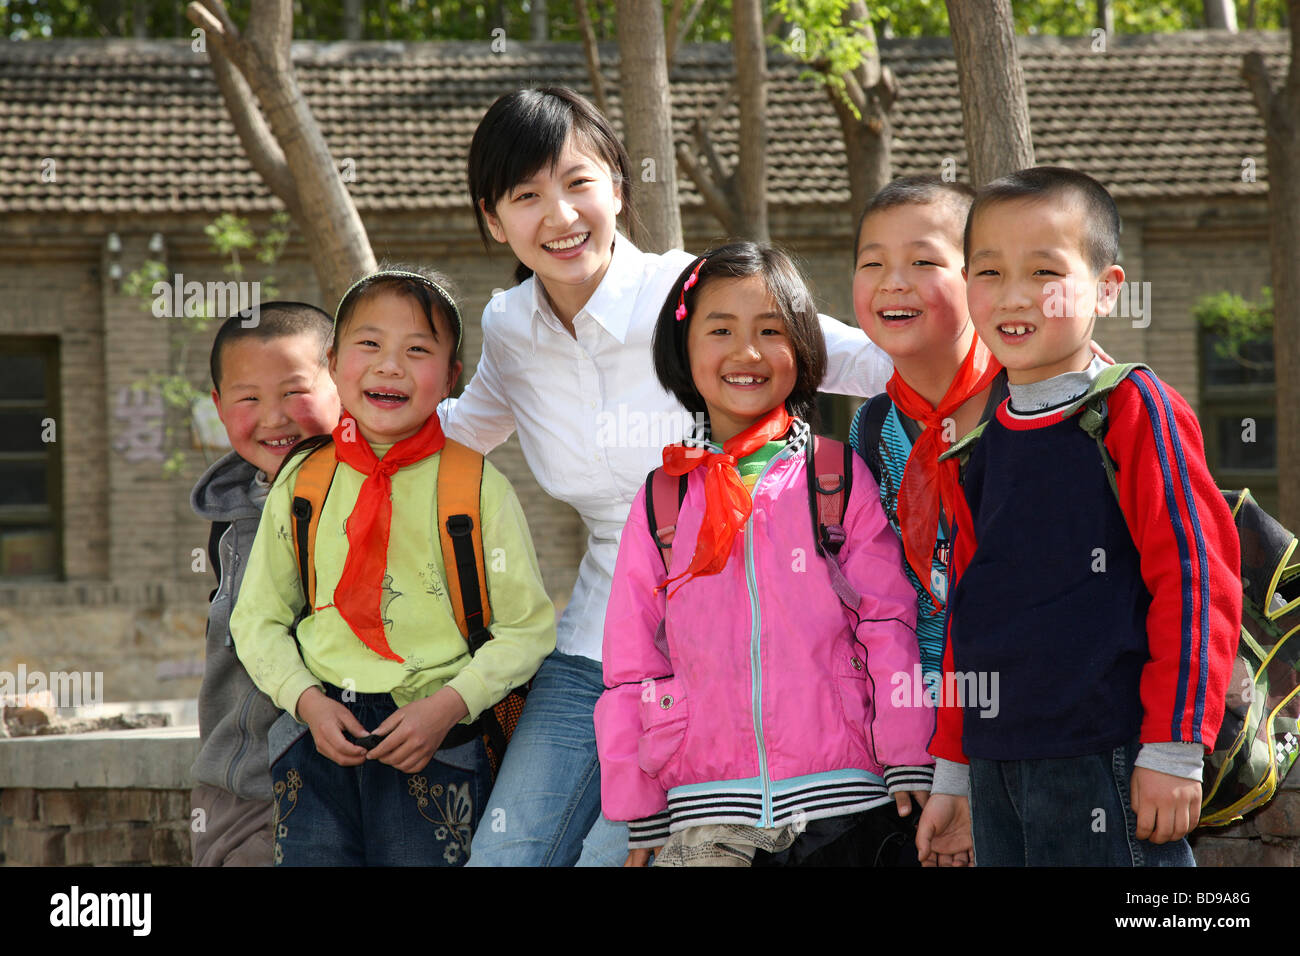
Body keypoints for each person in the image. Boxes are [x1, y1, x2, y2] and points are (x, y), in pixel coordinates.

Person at [445, 86, 893, 867]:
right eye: (526, 196)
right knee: (503, 857)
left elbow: (864, 359)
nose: (560, 216)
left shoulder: (693, 294)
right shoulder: (511, 329)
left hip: (727, 659)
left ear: (619, 185)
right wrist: (318, 418)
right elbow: (456, 432)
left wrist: (1029, 366)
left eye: (578, 182)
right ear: (493, 218)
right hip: (597, 650)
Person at [915, 167, 1242, 866]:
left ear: (1108, 288)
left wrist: (1176, 748)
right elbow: (969, 618)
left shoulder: (1132, 410)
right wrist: (955, 771)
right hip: (998, 766)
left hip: (1111, 759)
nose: (1014, 296)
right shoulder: (977, 438)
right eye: (990, 271)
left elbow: (1196, 579)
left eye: (1044, 271)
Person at [594, 241, 933, 867]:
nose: (746, 352)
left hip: (846, 809)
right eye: (720, 329)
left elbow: (889, 620)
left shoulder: (834, 476)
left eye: (770, 330)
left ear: (801, 348)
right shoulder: (663, 498)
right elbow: (631, 664)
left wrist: (909, 751)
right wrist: (639, 810)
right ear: (683, 349)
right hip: (704, 816)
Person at [229, 267, 555, 866]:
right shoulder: (303, 483)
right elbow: (258, 620)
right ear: (333, 362)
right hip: (316, 737)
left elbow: (528, 629)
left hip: (439, 738)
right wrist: (305, 701)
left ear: (451, 376)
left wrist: (448, 707)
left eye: (418, 350)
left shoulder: (476, 487)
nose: (389, 366)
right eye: (370, 344)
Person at [847, 177, 1005, 736]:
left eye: (922, 262)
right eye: (873, 264)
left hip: (1045, 724)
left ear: (978, 280)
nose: (893, 283)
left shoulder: (1035, 405)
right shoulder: (870, 429)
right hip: (920, 733)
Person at [189, 302, 341, 867]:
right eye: (249, 399)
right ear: (219, 407)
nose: (274, 418)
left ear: (344, 385)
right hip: (232, 790)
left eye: (295, 392)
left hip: (332, 782)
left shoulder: (371, 502)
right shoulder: (229, 521)